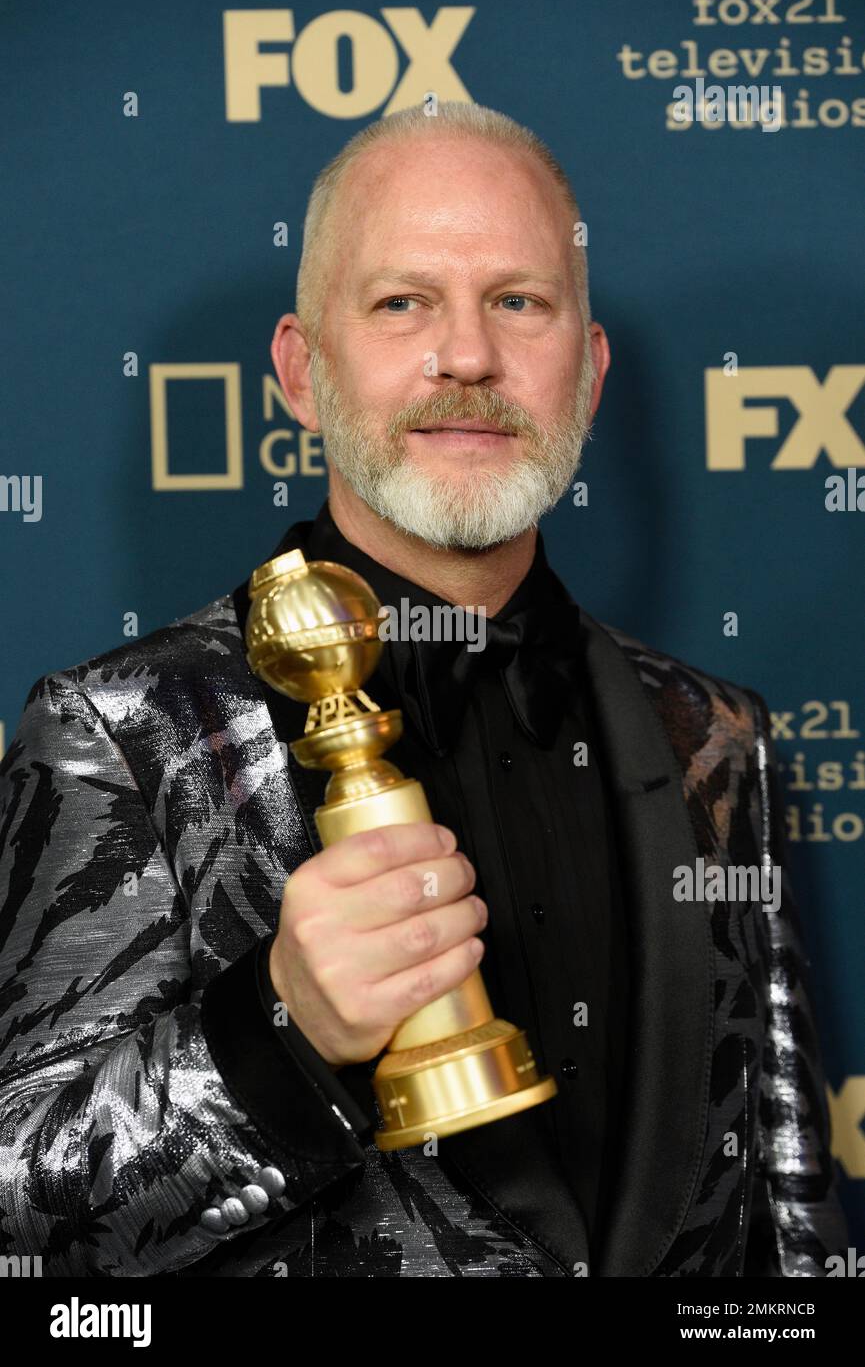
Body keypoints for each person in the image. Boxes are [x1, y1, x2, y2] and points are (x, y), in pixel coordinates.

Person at [0, 102, 847, 1277]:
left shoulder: (715, 735)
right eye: (403, 302)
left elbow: (789, 1208)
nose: (467, 355)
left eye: (519, 300)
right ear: (303, 371)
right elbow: (23, 1212)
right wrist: (277, 1028)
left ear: (587, 374)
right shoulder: (121, 731)